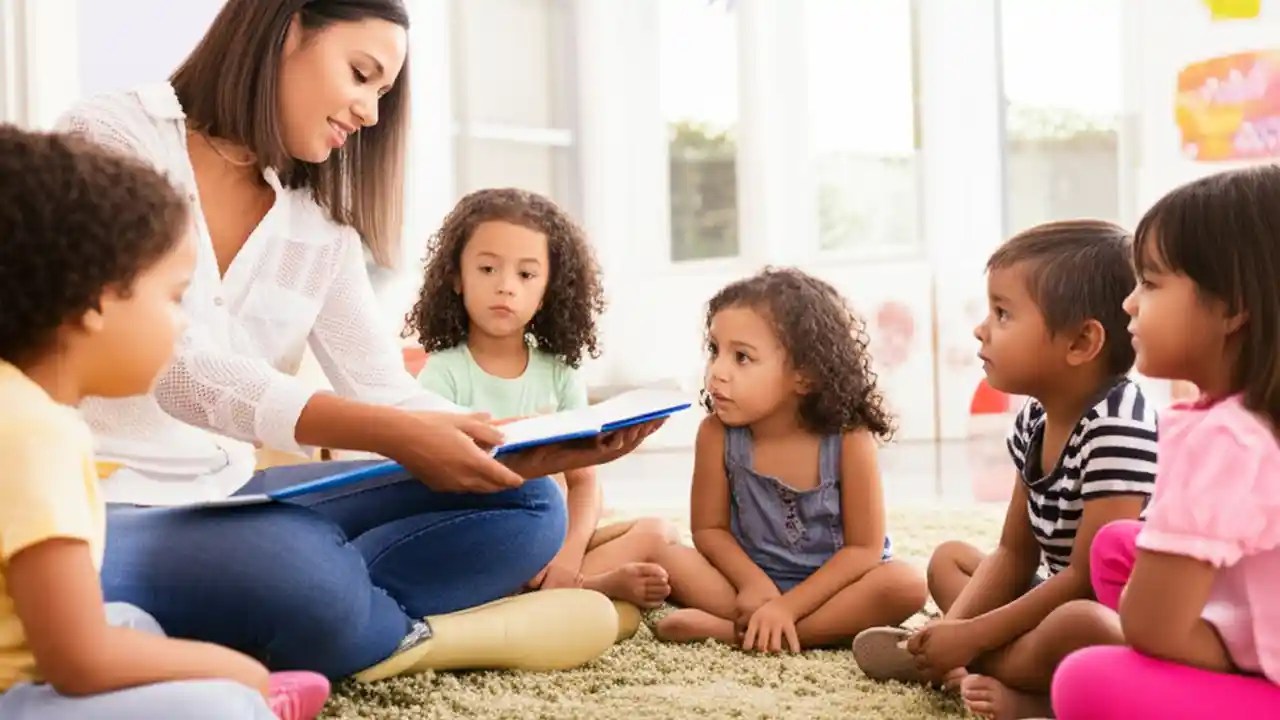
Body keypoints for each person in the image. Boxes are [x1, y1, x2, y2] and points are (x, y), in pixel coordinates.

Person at [56, 0, 658, 682]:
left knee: (528, 501)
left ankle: (303, 611)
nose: (371, 112)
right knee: (295, 562)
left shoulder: (318, 221)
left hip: (233, 489)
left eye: (383, 93)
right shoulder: (114, 136)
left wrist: (525, 446)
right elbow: (174, 370)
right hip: (101, 499)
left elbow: (380, 387)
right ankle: (414, 636)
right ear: (288, 29)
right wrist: (390, 437)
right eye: (362, 74)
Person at [0, 126, 330, 719]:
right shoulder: (37, 435)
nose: (182, 325)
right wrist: (242, 672)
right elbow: (77, 661)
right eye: (174, 297)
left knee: (129, 621)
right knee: (222, 704)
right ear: (97, 302)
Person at [853, 220, 1159, 720]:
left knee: (1081, 625)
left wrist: (972, 635)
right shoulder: (1035, 418)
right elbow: (1015, 552)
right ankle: (959, 654)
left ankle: (1026, 692)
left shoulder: (1118, 429)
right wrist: (958, 627)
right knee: (950, 561)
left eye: (1002, 313)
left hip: (1117, 615)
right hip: (1054, 599)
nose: (981, 328)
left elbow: (1086, 580)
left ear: (1081, 342)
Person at [1053, 167, 1280, 719]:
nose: (1129, 304)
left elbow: (1152, 628)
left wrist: (1215, 652)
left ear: (1233, 307)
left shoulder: (1227, 439)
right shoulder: (1254, 420)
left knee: (1084, 679)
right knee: (1115, 546)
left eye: (1150, 284)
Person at [409, 188, 677, 610]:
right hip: (485, 541)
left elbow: (584, 483)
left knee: (659, 531)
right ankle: (593, 587)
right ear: (456, 278)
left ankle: (567, 583)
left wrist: (567, 557)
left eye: (526, 275)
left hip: (555, 540)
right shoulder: (443, 374)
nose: (505, 287)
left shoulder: (559, 374)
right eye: (487, 269)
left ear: (548, 290)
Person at [650, 268, 927, 652]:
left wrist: (787, 607)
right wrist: (753, 584)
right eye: (715, 351)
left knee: (906, 585)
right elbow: (709, 530)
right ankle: (774, 626)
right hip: (749, 583)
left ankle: (740, 633)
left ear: (804, 376)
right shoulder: (716, 435)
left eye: (741, 357)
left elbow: (863, 550)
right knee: (664, 557)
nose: (717, 372)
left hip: (834, 589)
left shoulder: (850, 440)